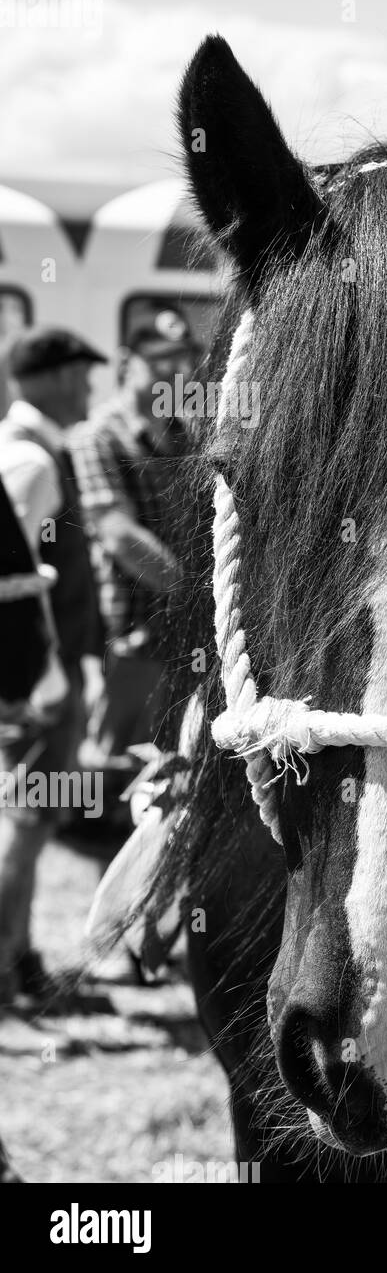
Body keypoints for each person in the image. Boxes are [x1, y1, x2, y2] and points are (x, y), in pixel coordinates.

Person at [0, 326, 107, 1002]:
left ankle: (19, 957)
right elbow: (11, 582)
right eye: (83, 373)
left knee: (31, 821)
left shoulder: (37, 454)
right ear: (59, 376)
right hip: (41, 678)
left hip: (45, 672)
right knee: (27, 822)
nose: (91, 387)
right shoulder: (32, 462)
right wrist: (46, 672)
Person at [69, 306, 197, 785]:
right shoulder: (97, 436)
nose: (177, 371)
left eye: (184, 358)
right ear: (126, 362)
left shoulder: (185, 436)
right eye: (162, 359)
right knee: (116, 770)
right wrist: (196, 593)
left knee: (169, 769)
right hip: (134, 634)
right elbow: (118, 534)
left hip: (185, 637)